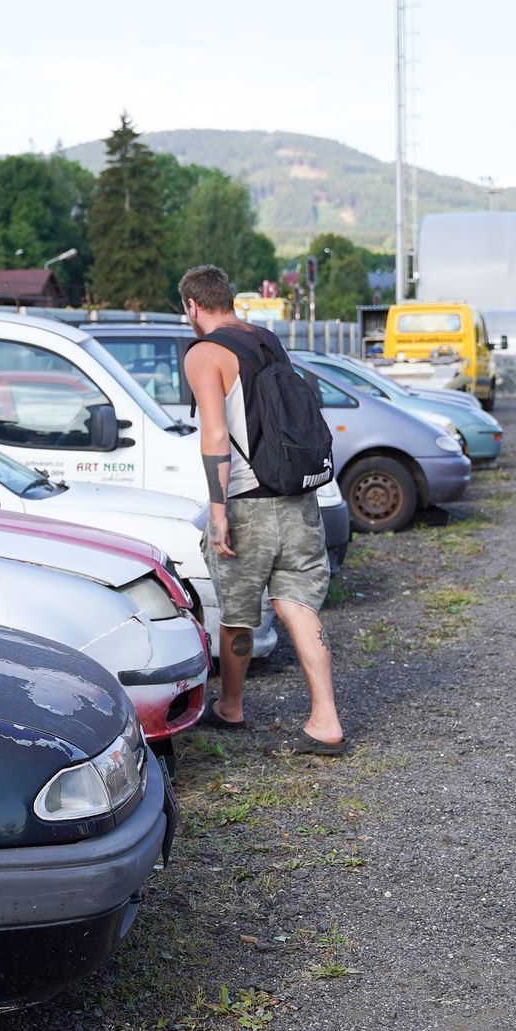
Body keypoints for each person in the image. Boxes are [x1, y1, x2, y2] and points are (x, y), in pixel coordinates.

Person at [179, 264, 345, 756]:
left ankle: (231, 706)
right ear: (228, 298)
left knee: (237, 615)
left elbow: (215, 435)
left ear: (192, 306)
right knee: (298, 604)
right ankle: (326, 720)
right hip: (298, 498)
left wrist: (218, 513)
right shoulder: (268, 340)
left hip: (248, 504)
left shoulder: (204, 354)